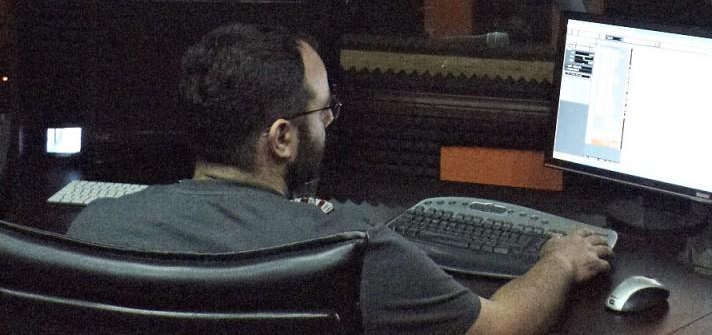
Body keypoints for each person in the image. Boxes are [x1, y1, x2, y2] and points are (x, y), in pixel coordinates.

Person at [66, 23, 612, 335]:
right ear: (281, 138)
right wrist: (558, 261)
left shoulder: (96, 230)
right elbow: (501, 328)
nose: (329, 121)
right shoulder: (347, 251)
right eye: (323, 110)